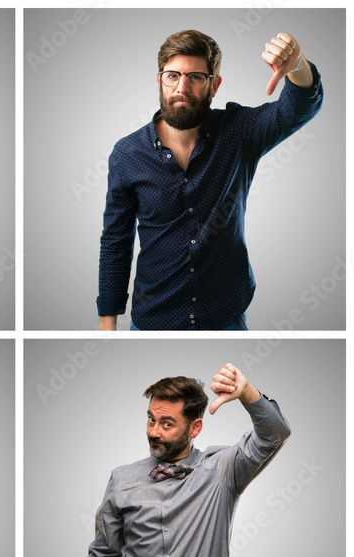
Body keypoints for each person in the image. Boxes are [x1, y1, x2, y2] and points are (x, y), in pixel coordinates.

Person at [97, 29, 322, 331]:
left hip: (226, 319)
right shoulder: (127, 153)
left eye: (195, 78)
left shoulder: (239, 132)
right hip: (154, 321)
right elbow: (116, 239)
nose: (182, 87)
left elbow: (297, 109)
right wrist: (107, 320)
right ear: (159, 80)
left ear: (214, 85)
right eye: (172, 76)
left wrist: (297, 67)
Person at [81, 363, 289, 557]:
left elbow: (275, 435)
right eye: (151, 420)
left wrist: (247, 394)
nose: (154, 431)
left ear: (195, 427)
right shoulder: (122, 479)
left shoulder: (223, 469)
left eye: (167, 424)